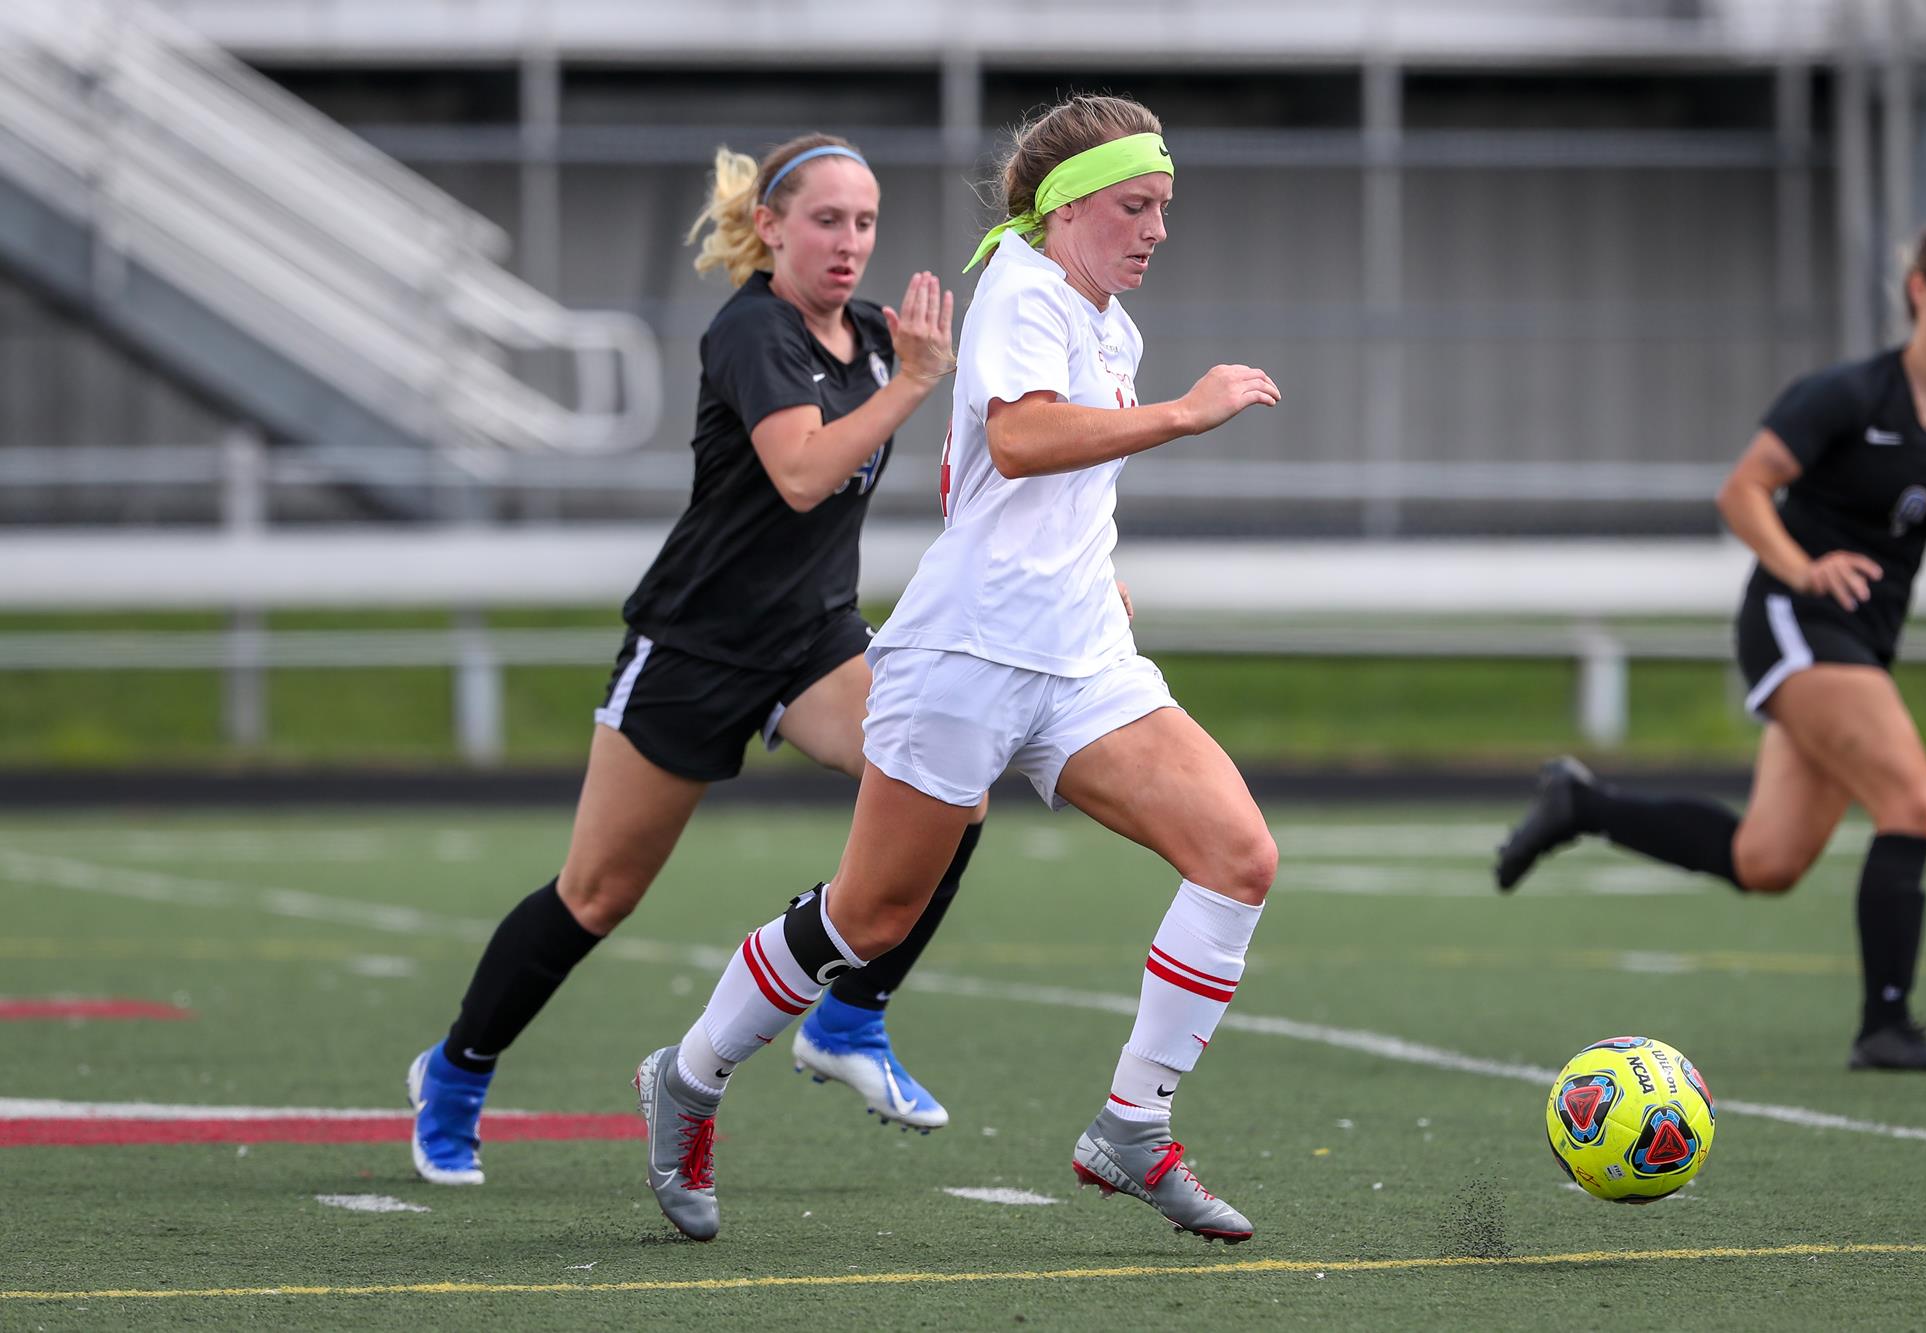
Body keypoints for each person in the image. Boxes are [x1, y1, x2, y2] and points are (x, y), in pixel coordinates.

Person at [630, 93, 1284, 1244]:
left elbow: (1040, 483)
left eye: (1163, 207)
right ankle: (686, 1076)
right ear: (1069, 206)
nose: (1156, 229)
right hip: (965, 655)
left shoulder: (1110, 324)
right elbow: (1025, 438)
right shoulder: (1019, 291)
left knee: (1237, 856)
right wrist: (1184, 415)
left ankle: (1131, 1125)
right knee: (867, 917)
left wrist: (1099, 571)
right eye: (1136, 205)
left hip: (1080, 655)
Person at [405, 133, 987, 1186]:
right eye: (825, 220)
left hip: (810, 642)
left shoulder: (870, 334)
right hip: (695, 647)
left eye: (864, 222)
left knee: (950, 783)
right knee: (596, 894)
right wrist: (910, 386)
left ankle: (850, 1016)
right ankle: (454, 1070)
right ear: (769, 227)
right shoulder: (752, 329)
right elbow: (803, 473)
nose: (849, 242)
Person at [1496, 208, 1926, 1074]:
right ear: (1921, 290)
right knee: (1913, 801)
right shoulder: (1848, 392)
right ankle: (1887, 1026)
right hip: (1795, 622)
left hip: (1863, 642)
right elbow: (1742, 492)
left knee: (1765, 859)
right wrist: (1804, 569)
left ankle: (1584, 805)